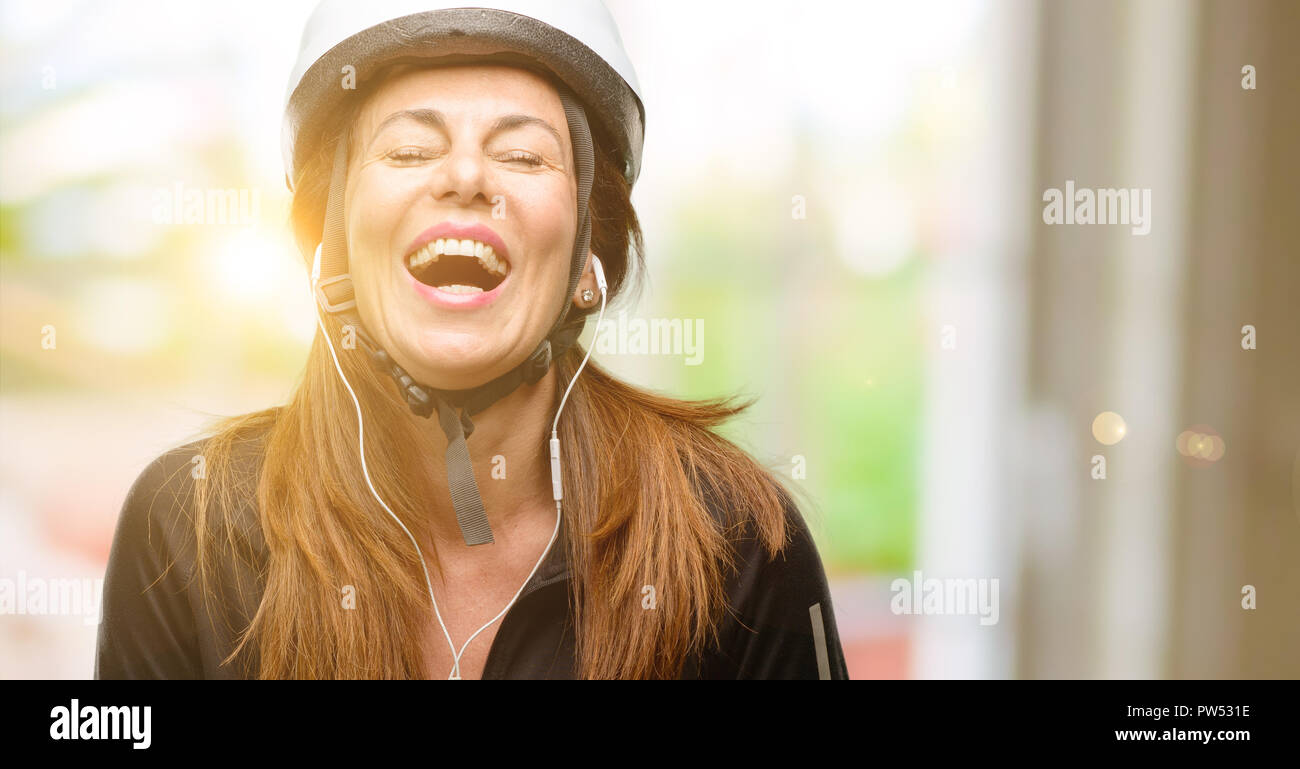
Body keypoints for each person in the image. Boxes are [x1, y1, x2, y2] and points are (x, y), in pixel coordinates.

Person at [95, 0, 849, 680]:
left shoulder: (736, 542)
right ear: (335, 243)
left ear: (591, 257)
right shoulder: (185, 529)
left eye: (522, 156)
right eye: (409, 151)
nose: (463, 175)